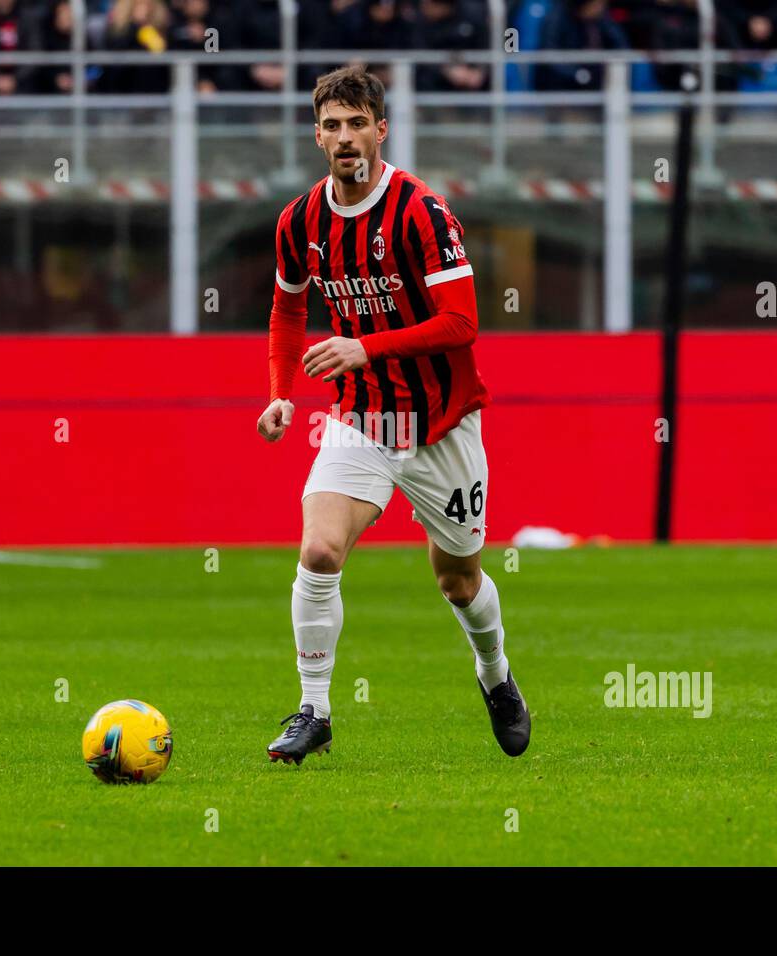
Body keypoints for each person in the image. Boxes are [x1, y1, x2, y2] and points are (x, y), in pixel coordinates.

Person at [255, 66, 529, 765]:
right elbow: (288, 307)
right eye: (332, 126)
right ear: (316, 136)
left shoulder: (423, 212)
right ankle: (313, 709)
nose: (345, 138)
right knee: (318, 551)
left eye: (357, 123)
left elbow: (462, 322)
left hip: (443, 422)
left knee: (458, 580)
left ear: (382, 129)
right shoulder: (300, 221)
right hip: (364, 418)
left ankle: (495, 676)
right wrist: (281, 390)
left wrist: (364, 346)